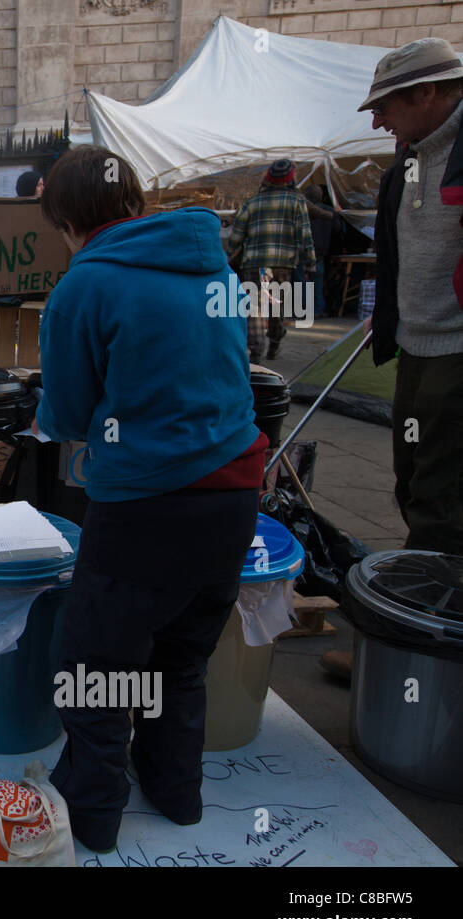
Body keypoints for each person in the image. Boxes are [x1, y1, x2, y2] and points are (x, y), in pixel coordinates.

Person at [33, 146, 265, 853]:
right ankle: (176, 794)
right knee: (179, 659)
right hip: (233, 496)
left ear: (69, 220)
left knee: (95, 667)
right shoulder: (210, 264)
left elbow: (69, 417)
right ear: (133, 200)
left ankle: (93, 814)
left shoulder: (85, 285)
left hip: (145, 507)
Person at [317, 38, 463, 682]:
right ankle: (404, 639)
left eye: (387, 107)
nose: (377, 121)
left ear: (428, 93)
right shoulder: (410, 157)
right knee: (411, 483)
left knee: (441, 498)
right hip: (419, 346)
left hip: (457, 352)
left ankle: (414, 659)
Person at [225, 159, 317, 361]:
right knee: (277, 305)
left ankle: (256, 350)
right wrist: (310, 261)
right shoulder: (296, 201)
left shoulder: (252, 202)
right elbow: (305, 234)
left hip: (253, 264)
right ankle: (275, 341)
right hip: (283, 264)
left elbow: (236, 236)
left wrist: (227, 255)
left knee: (254, 307)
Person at [301, 184, 335, 317]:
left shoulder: (302, 209)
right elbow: (336, 228)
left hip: (304, 251)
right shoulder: (328, 211)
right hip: (320, 251)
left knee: (302, 281)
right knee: (317, 281)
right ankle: (318, 309)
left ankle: (304, 308)